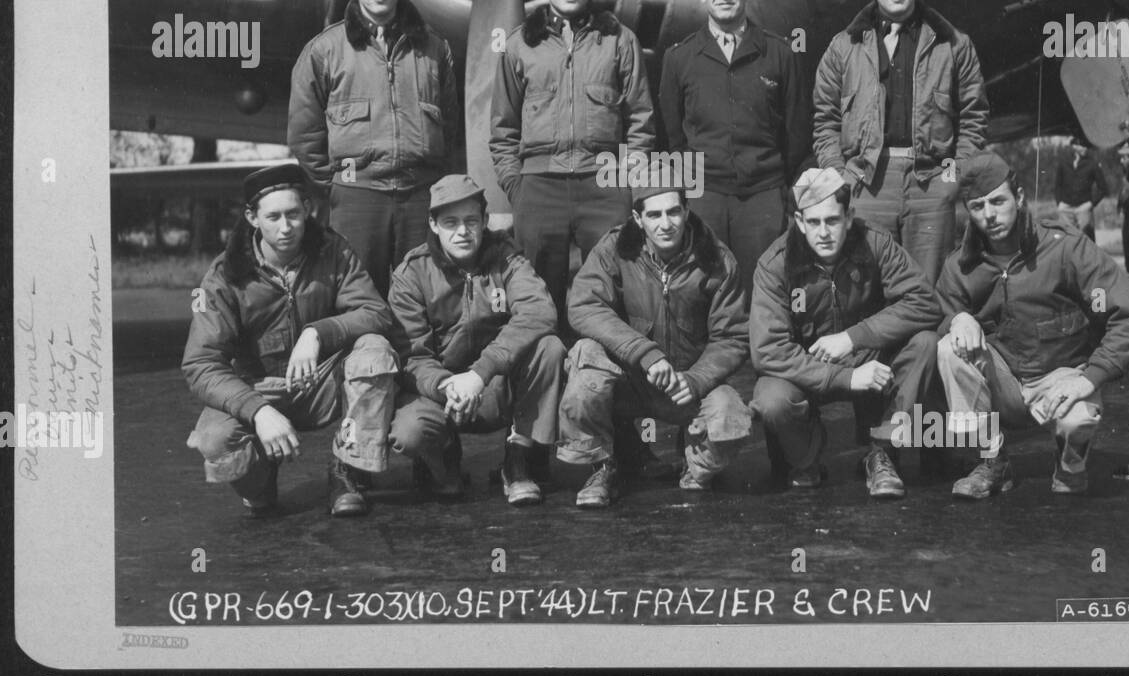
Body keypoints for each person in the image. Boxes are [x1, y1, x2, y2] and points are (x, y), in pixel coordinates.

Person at [182, 163, 398, 518]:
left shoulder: (333, 251)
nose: (286, 228)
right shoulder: (224, 275)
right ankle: (259, 479)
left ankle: (349, 471)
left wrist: (317, 333)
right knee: (215, 443)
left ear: (308, 209)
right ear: (252, 217)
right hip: (259, 386)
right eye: (273, 217)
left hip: (323, 381)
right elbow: (199, 364)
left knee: (375, 353)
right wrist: (259, 410)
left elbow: (375, 312)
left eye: (294, 214)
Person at [935, 152, 1129, 498]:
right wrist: (956, 319)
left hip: (1062, 381)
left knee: (1078, 426)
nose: (989, 215)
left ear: (1019, 198)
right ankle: (991, 460)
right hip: (1004, 383)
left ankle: (1071, 464)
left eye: (998, 201)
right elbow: (939, 315)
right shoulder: (960, 267)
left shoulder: (1066, 250)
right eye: (977, 206)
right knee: (949, 348)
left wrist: (1090, 377)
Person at [490, 0, 656, 328]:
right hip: (539, 187)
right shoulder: (518, 47)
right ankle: (544, 379)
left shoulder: (619, 40)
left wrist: (627, 183)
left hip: (604, 184)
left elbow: (641, 121)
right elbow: (503, 129)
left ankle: (604, 379)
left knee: (611, 293)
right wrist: (519, 188)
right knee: (537, 299)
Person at [557, 173, 752, 508]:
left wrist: (695, 380)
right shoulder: (614, 249)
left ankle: (694, 463)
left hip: (686, 385)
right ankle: (603, 465)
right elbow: (583, 305)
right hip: (629, 380)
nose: (666, 224)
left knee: (730, 414)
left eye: (673, 212)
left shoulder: (717, 259)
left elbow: (732, 337)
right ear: (638, 218)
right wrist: (643, 353)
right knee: (585, 361)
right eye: (654, 215)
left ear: (687, 211)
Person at [289, 0, 460, 298]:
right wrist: (339, 187)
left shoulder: (434, 49)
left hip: (421, 196)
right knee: (357, 298)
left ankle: (420, 359)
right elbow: (304, 136)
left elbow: (452, 129)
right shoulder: (323, 51)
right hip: (358, 198)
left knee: (427, 296)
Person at [812, 0, 988, 283]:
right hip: (867, 183)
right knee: (868, 289)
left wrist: (951, 179)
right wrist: (842, 175)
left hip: (930, 182)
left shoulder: (953, 44)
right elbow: (825, 121)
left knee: (929, 290)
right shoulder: (842, 48)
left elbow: (975, 117)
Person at [749, 167, 941, 495]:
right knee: (771, 398)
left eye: (832, 221)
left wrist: (853, 337)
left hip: (868, 359)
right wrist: (845, 378)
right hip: (807, 369)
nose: (824, 232)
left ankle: (882, 453)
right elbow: (767, 350)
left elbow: (925, 302)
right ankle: (805, 458)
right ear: (798, 221)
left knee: (926, 343)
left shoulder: (876, 243)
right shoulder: (775, 264)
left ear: (849, 217)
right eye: (813, 222)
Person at [387, 174, 564, 506]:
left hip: (493, 386)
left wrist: (480, 373)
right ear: (433, 224)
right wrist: (447, 385)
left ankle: (518, 459)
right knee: (409, 432)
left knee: (549, 348)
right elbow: (411, 354)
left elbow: (540, 312)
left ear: (485, 221)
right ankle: (441, 459)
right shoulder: (412, 273)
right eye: (450, 222)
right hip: (443, 394)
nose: (462, 231)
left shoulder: (507, 257)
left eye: (471, 221)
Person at [659, 0, 811, 298]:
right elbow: (673, 138)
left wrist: (779, 196)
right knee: (705, 293)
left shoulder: (779, 54)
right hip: (704, 198)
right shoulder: (679, 60)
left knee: (765, 295)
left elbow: (796, 134)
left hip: (763, 199)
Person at [1053, 135, 1110, 240]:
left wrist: (1090, 204)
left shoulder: (1092, 164)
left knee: (1086, 241)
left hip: (1083, 209)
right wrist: (1059, 204)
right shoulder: (1064, 162)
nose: (1085, 149)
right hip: (1065, 209)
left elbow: (1103, 188)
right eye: (1082, 146)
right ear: (1074, 146)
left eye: (1086, 146)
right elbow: (1057, 185)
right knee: (1066, 241)